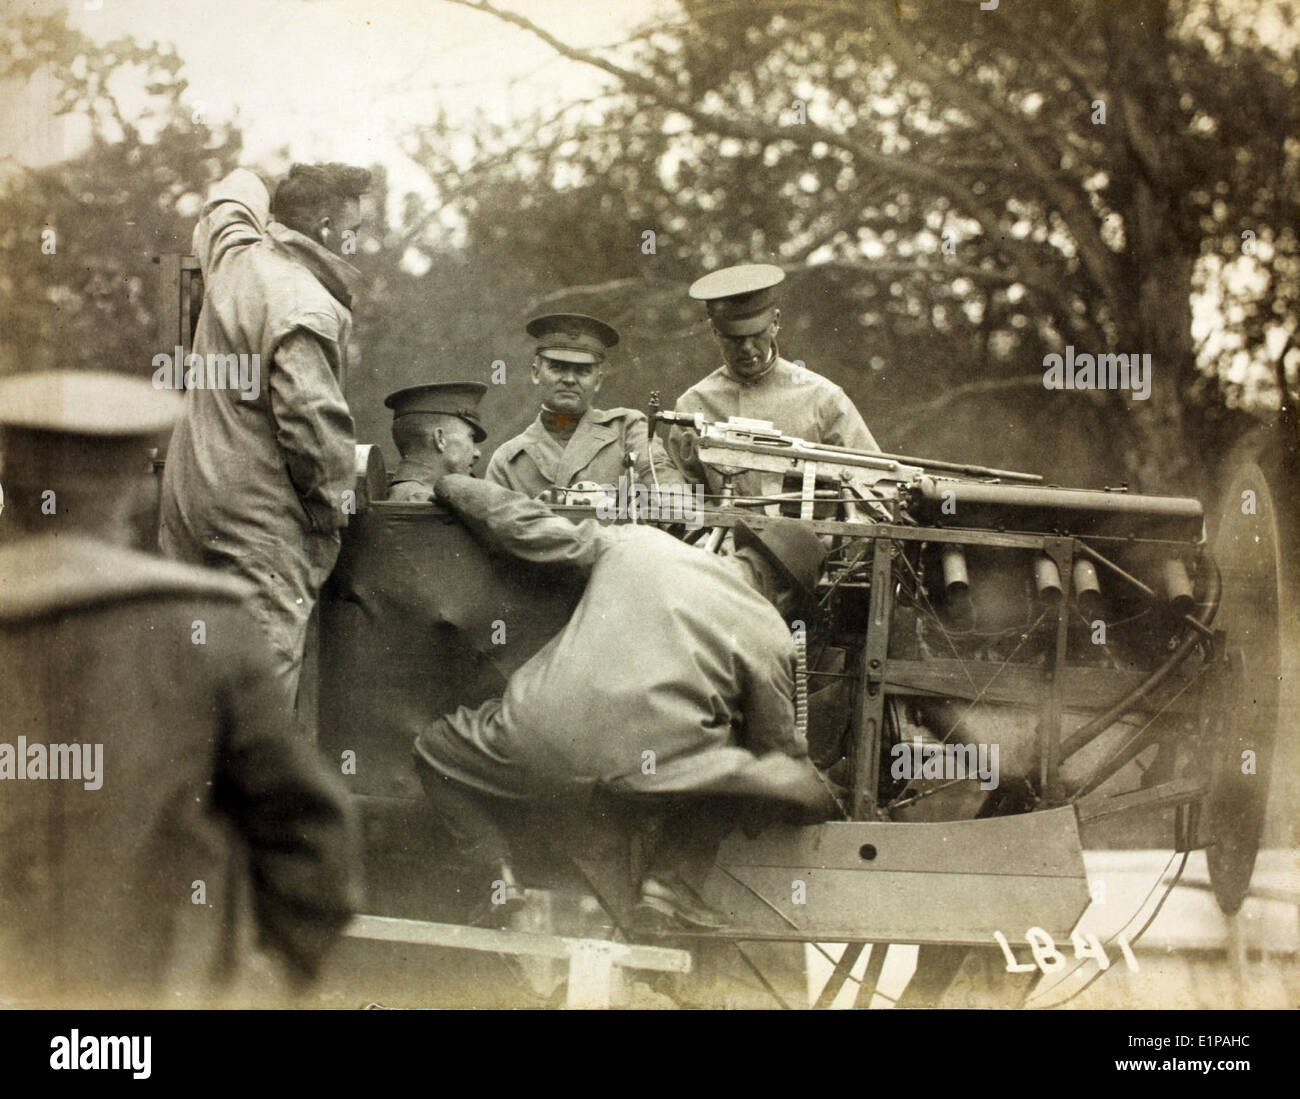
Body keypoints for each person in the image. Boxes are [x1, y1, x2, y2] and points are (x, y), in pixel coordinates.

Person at [0, 371, 360, 1007]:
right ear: (138, 491)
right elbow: (312, 835)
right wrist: (271, 984)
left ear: (10, 478)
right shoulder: (206, 630)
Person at [412, 474, 836, 929]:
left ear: (737, 550)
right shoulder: (770, 631)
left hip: (534, 744)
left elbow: (522, 523)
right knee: (747, 771)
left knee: (434, 750)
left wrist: (450, 482)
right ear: (787, 594)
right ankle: (667, 887)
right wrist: (824, 801)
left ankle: (497, 882)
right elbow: (777, 751)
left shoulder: (637, 543)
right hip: (645, 780)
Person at [159, 162, 371, 717]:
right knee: (259, 699)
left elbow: (226, 203)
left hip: (188, 507)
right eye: (355, 229)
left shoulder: (234, 257)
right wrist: (331, 515)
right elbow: (313, 431)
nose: (361, 243)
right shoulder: (306, 305)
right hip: (257, 530)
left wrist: (264, 176)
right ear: (325, 227)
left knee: (187, 684)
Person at [667, 263, 880, 498]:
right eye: (734, 338)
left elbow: (876, 486)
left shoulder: (823, 398)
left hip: (811, 534)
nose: (747, 349)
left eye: (756, 335)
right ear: (715, 331)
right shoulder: (692, 406)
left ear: (775, 322)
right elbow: (682, 499)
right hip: (721, 533)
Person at [484, 313, 675, 501]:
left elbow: (670, 491)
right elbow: (491, 526)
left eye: (582, 371)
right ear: (536, 373)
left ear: (598, 381)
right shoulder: (508, 461)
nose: (569, 380)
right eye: (557, 368)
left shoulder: (628, 430)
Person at [384, 381, 487, 502]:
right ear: (440, 439)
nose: (477, 453)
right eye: (471, 437)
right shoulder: (423, 500)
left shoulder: (404, 494)